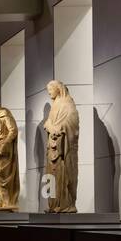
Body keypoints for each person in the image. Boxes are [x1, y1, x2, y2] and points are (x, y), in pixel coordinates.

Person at [43, 80, 79, 212]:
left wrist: (58, 128)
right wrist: (49, 126)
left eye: (51, 89)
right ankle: (53, 204)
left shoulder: (67, 102)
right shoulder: (55, 105)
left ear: (58, 89)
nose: (49, 92)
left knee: (63, 174)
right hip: (52, 146)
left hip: (62, 147)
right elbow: (48, 122)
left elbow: (72, 122)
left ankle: (65, 204)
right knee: (51, 176)